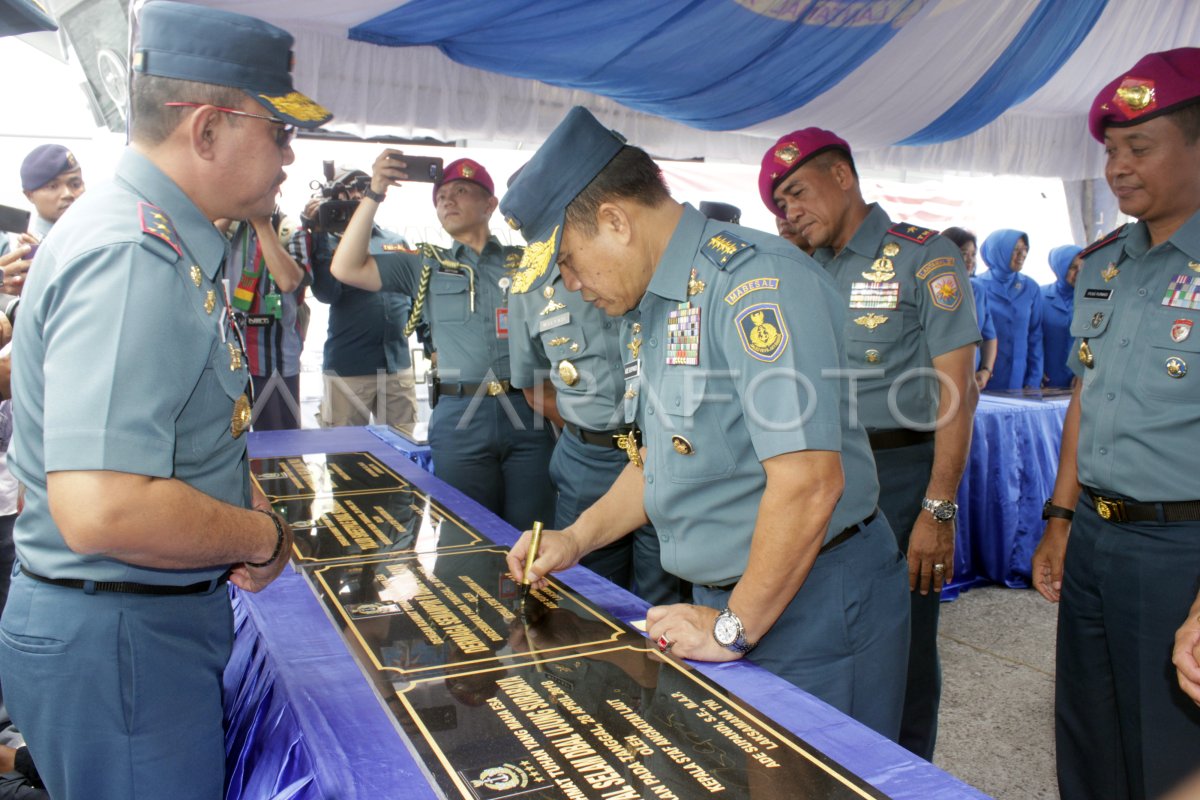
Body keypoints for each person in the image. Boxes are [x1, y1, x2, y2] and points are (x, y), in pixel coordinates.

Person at [0, 2, 326, 796]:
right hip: (123, 639)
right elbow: (104, 508)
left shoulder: (165, 241)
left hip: (132, 625)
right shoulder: (133, 257)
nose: (290, 155)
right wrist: (256, 535)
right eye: (279, 130)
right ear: (207, 129)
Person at [503, 106, 910, 741]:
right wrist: (576, 539)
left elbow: (809, 482)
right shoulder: (656, 307)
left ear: (615, 221)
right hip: (730, 597)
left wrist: (733, 625)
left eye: (571, 263)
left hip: (810, 605)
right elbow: (659, 460)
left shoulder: (754, 282)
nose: (573, 286)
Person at [760, 128, 980, 759]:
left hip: (902, 478)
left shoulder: (921, 256)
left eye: (797, 192)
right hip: (816, 478)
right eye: (780, 203)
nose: (790, 211)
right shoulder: (799, 266)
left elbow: (956, 396)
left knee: (904, 649)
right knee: (824, 635)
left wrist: (938, 509)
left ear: (843, 176)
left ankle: (905, 776)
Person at [1031, 46, 1200, 800]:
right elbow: (1085, 398)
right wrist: (1061, 518)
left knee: (1169, 754)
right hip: (1097, 538)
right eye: (1109, 150)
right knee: (1088, 739)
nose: (1117, 166)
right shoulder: (1104, 263)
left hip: (1180, 552)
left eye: (1140, 146)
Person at [331, 157, 556, 532]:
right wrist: (375, 192)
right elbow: (345, 268)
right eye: (441, 197)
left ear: (489, 205)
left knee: (535, 535)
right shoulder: (424, 264)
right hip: (460, 415)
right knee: (465, 537)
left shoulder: (525, 263)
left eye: (461, 191)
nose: (447, 201)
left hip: (528, 412)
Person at [507, 185, 682, 605]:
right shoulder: (530, 289)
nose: (573, 279)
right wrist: (594, 430)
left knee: (667, 598)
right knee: (584, 599)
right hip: (588, 459)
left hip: (667, 453)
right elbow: (532, 386)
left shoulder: (656, 268)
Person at [294, 168, 419, 427]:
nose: (354, 194)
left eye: (361, 188)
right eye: (346, 189)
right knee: (345, 456)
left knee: (405, 454)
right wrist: (318, 237)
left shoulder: (394, 240)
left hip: (397, 365)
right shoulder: (325, 241)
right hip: (349, 368)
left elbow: (418, 293)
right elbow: (327, 294)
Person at [219, 212, 310, 430]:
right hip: (228, 356)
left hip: (275, 358)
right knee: (229, 441)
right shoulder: (227, 227)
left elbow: (288, 282)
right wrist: (227, 211)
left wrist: (262, 223)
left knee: (279, 448)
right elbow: (196, 247)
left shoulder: (290, 230)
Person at [975, 229, 1043, 391]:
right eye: (1015, 249)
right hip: (982, 376)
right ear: (997, 251)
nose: (1023, 254)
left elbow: (1035, 335)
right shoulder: (977, 286)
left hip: (1018, 378)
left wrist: (1034, 378)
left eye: (1025, 248)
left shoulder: (1030, 287)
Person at [942, 226, 998, 389]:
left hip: (970, 380)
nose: (969, 260)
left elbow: (989, 336)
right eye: (963, 253)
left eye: (973, 254)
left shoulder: (978, 290)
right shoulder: (929, 288)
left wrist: (986, 371)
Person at [1040, 244, 1082, 389]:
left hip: (1079, 382)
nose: (1079, 272)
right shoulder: (1040, 296)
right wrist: (1034, 373)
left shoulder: (1093, 299)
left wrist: (1084, 374)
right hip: (1045, 381)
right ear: (1059, 268)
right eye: (1072, 267)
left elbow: (1095, 343)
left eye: (1082, 266)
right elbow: (1031, 338)